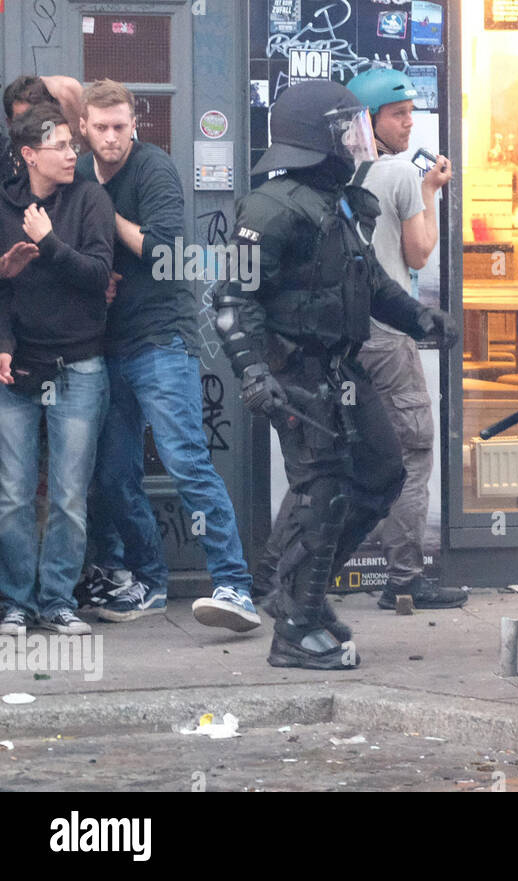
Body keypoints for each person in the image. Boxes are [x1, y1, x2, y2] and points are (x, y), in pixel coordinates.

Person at [213, 81, 458, 669]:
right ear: (315, 140)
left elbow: (369, 282)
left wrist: (420, 317)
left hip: (344, 367)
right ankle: (295, 629)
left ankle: (303, 595)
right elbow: (230, 299)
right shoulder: (270, 208)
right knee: (322, 489)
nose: (358, 141)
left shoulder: (342, 202)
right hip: (294, 369)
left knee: (381, 474)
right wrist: (253, 374)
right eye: (346, 131)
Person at [65, 80, 261, 631]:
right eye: (100, 128)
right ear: (83, 126)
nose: (110, 138)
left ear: (135, 124)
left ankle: (235, 586)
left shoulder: (153, 170)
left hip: (160, 339)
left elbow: (167, 251)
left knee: (186, 463)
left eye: (120, 127)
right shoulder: (78, 172)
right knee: (112, 473)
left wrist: (104, 214)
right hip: (105, 343)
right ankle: (149, 583)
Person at [0, 103, 115, 637]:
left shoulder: (91, 198)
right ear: (29, 155)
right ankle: (15, 603)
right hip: (19, 368)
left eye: (74, 145)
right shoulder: (2, 204)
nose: (73, 154)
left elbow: (97, 276)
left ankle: (56, 601)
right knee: (15, 494)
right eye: (61, 146)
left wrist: (49, 245)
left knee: (70, 495)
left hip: (79, 365)